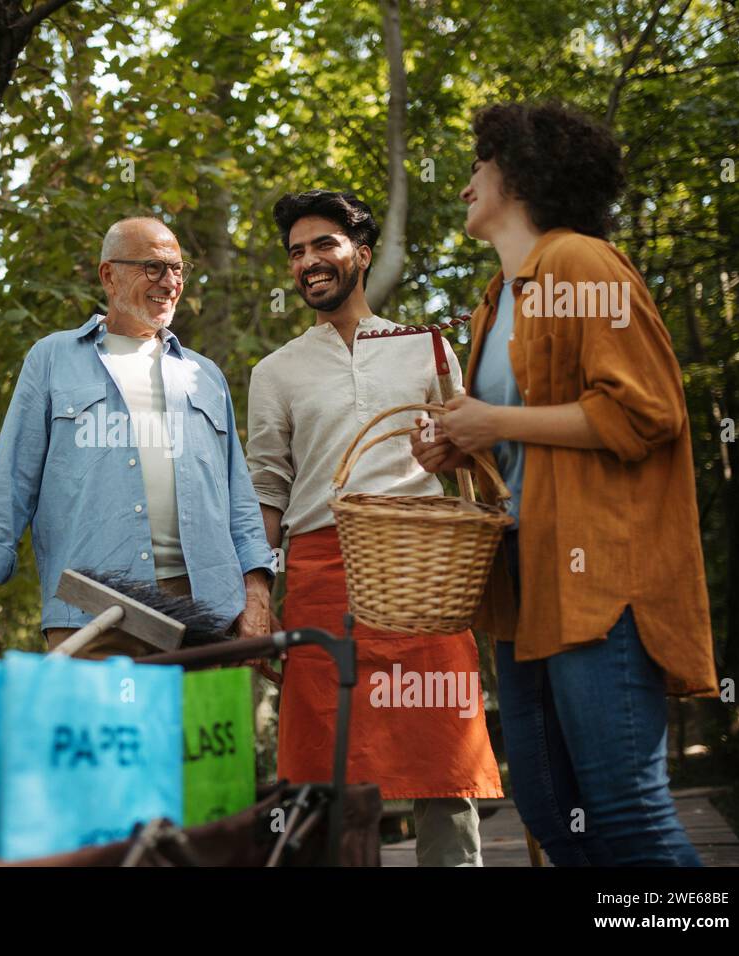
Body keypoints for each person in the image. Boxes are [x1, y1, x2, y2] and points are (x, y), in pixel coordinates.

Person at [411, 101, 717, 865]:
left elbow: (646, 412)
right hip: (523, 582)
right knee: (553, 811)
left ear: (520, 171)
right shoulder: (495, 300)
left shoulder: (581, 263)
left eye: (479, 166)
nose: (465, 186)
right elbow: (522, 437)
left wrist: (494, 421)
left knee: (627, 812)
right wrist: (459, 447)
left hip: (600, 580)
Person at [247, 190, 502, 867]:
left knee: (445, 762)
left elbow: (472, 449)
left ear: (360, 254)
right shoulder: (274, 372)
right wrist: (256, 595)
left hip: (421, 575)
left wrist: (450, 450)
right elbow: (266, 489)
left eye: (323, 245)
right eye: (296, 252)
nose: (308, 261)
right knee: (325, 773)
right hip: (320, 582)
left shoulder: (427, 347)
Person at [0, 217, 276, 657]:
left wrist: (256, 590)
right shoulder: (52, 359)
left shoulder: (204, 375)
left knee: (197, 708)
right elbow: (11, 482)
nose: (170, 282)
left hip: (203, 612)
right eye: (154, 268)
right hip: (92, 607)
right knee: (92, 707)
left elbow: (240, 498)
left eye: (178, 269)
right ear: (109, 275)